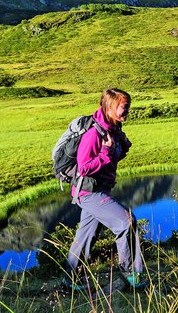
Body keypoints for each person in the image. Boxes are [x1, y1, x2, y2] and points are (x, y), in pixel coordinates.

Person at [66, 88, 145, 291]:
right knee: (127, 222)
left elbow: (109, 161)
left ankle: (70, 280)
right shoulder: (94, 134)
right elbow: (83, 168)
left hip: (99, 190)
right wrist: (107, 152)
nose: (127, 112)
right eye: (124, 108)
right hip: (89, 192)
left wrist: (121, 148)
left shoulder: (112, 129)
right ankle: (130, 274)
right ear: (110, 108)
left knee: (85, 237)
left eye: (128, 107)